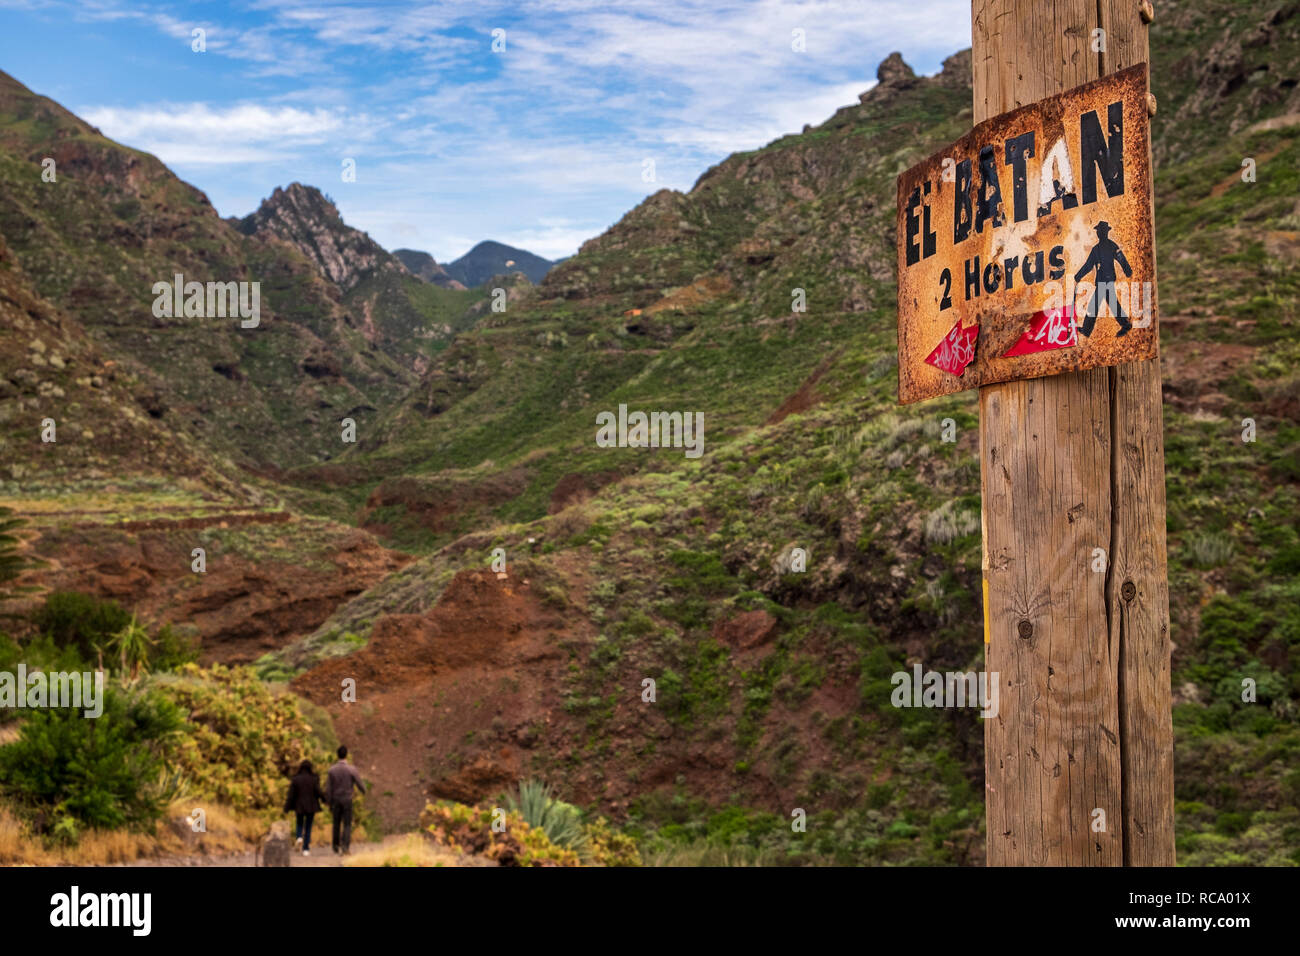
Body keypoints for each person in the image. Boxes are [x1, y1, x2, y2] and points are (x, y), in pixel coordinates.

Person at [1073, 220, 1133, 338]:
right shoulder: (1098, 248)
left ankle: (1086, 330)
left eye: (1101, 231)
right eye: (1099, 231)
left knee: (1094, 305)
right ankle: (1125, 324)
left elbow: (1121, 259)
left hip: (1105, 281)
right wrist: (1078, 275)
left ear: (1105, 233)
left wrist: (1128, 271)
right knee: (1109, 303)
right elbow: (1089, 265)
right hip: (1104, 281)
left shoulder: (1109, 246)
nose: (1099, 233)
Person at [327, 745, 366, 855]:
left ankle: (335, 845)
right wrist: (363, 790)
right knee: (347, 824)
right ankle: (345, 847)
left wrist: (328, 801)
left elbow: (328, 788)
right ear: (346, 755)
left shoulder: (332, 770)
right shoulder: (351, 769)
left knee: (336, 823)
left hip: (335, 799)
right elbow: (359, 782)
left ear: (337, 755)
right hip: (347, 799)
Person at [284, 760, 325, 857]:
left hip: (299, 805)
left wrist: (287, 807)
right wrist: (325, 799)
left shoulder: (296, 779)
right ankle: (306, 849)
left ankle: (298, 837)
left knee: (299, 822)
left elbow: (291, 795)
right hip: (311, 805)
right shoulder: (314, 778)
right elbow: (318, 791)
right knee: (308, 826)